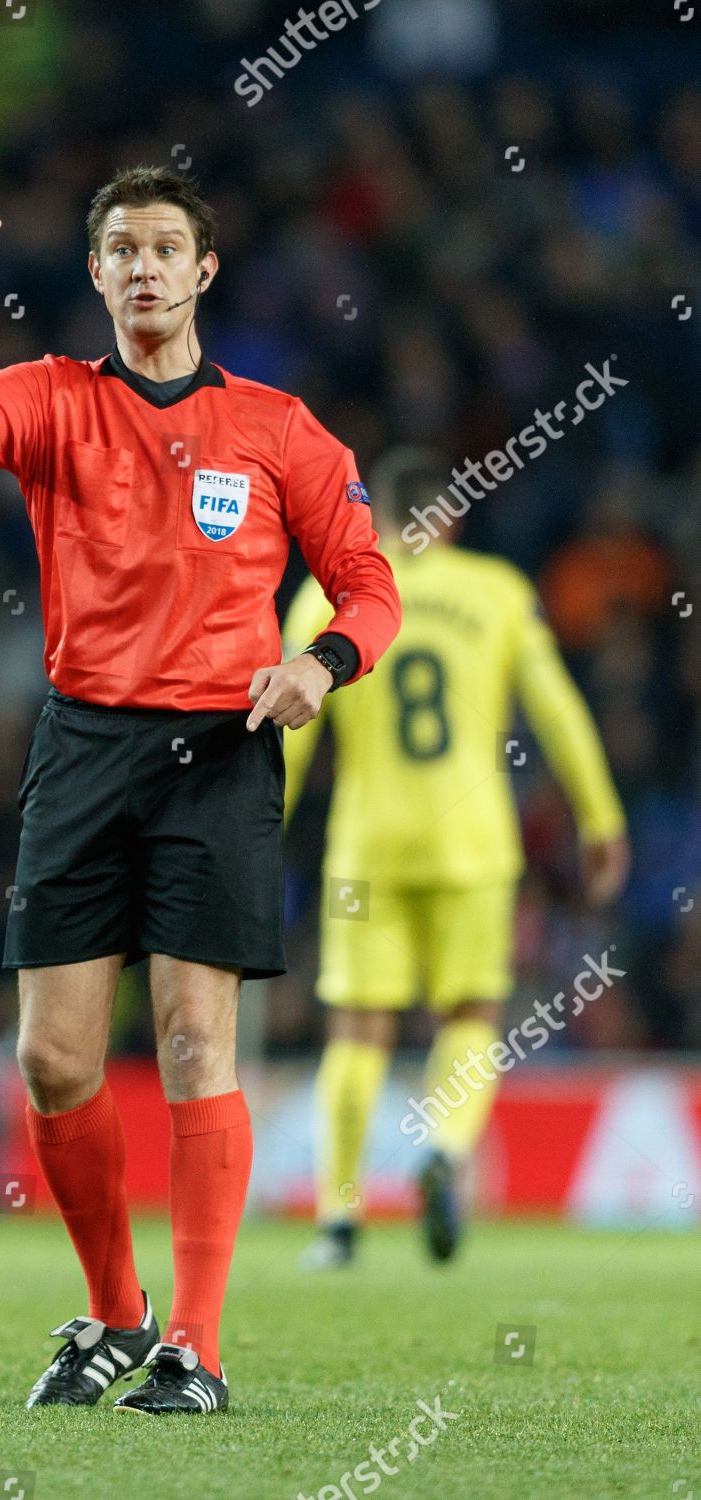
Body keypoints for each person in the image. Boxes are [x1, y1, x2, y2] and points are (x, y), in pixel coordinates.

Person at [0, 166, 401, 1413]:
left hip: (219, 756)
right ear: (96, 274)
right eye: (121, 248)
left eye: (166, 247)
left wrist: (321, 665)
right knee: (54, 1060)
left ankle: (202, 1347)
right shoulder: (56, 400)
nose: (143, 267)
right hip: (83, 750)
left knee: (191, 1042)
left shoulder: (283, 430)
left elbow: (370, 582)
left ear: (204, 272)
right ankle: (116, 1314)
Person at [281, 447, 629, 1269]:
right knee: (470, 1017)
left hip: (367, 848)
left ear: (375, 521)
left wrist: (255, 835)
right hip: (474, 847)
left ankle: (338, 1220)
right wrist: (599, 818)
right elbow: (557, 710)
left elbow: (289, 725)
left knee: (357, 1030)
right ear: (455, 514)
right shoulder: (497, 594)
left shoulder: (334, 594)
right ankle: (442, 1149)